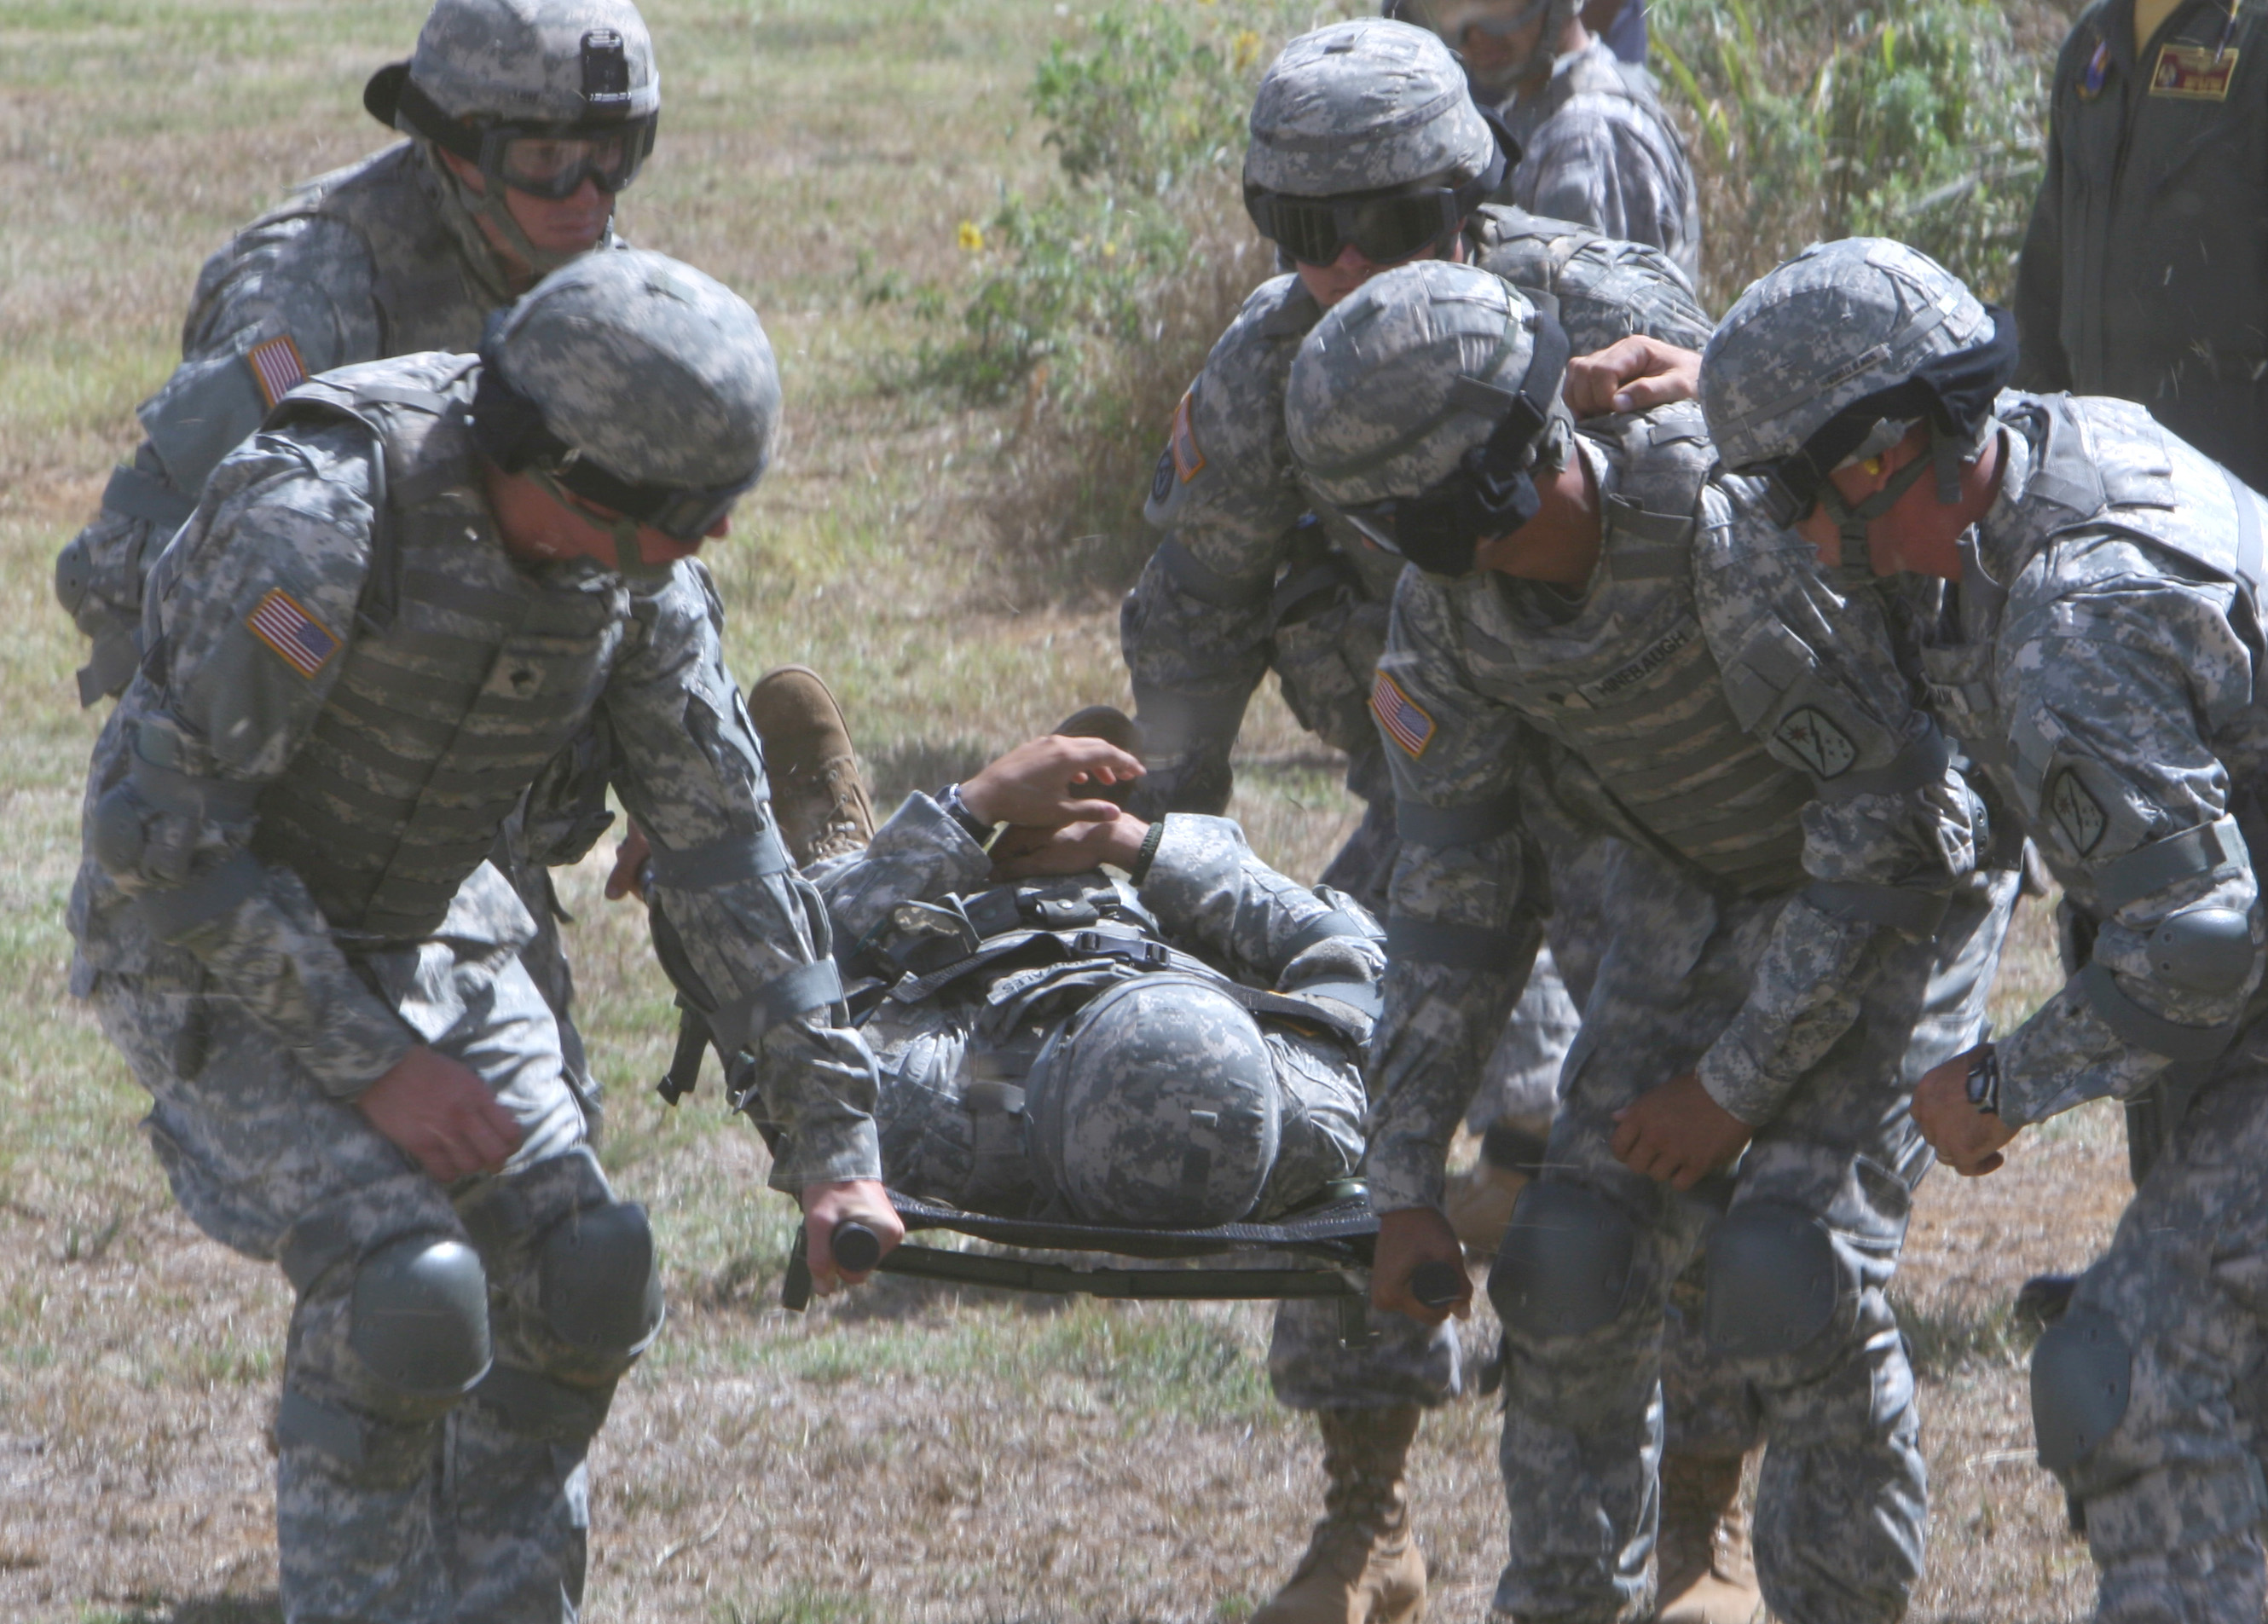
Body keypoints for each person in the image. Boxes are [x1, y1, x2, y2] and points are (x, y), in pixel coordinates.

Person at [68, 249, 900, 1624]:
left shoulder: (638, 583)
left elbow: (723, 851)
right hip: (208, 938)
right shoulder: (321, 520)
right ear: (572, 472)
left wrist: (834, 1152)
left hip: (435, 921)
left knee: (585, 1273)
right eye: (690, 510)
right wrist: (376, 1068)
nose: (712, 542)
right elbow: (162, 840)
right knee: (409, 1291)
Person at [1289, 259, 2016, 1624]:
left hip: (1904, 893)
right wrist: (1401, 1184)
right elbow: (1457, 901)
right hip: (1698, 891)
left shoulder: (1720, 528)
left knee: (1784, 1273)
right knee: (1566, 1261)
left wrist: (1732, 1089)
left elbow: (1890, 834)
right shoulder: (1451, 628)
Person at [1120, 26, 1741, 1618]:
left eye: (1383, 230)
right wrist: (1166, 869)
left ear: (1469, 201)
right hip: (1429, 800)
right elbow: (1194, 616)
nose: (1340, 268)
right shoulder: (1267, 368)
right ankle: (1370, 1517)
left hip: (1650, 807)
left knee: (1657, 1156)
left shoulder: (1610, 315)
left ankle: (1701, 1537)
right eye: (1299, 233)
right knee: (1341, 1109)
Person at [1701, 234, 2268, 1624]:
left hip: (2224, 985)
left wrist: (2001, 1082)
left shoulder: (2074, 618)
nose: (1800, 535)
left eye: (1798, 491)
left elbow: (2199, 938)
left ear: (1890, 449)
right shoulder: (2028, 472)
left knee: (2128, 1376)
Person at [54, 0, 660, 1134]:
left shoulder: (590, 278)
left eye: (611, 156)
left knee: (557, 1230)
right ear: (452, 149)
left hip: (478, 795)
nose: (585, 196)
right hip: (280, 827)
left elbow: (645, 547)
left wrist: (653, 766)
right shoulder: (308, 302)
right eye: (542, 158)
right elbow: (133, 565)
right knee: (396, 1267)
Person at [2012, 0, 2268, 494]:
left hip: (2235, 510)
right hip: (2100, 499)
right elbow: (2042, 303)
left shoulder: (2256, 39)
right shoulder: (2094, 43)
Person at [1389, 0, 1700, 280]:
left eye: (1495, 6)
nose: (1475, 34)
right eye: (1452, 9)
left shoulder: (1586, 135)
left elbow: (1600, 320)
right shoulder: (1537, 106)